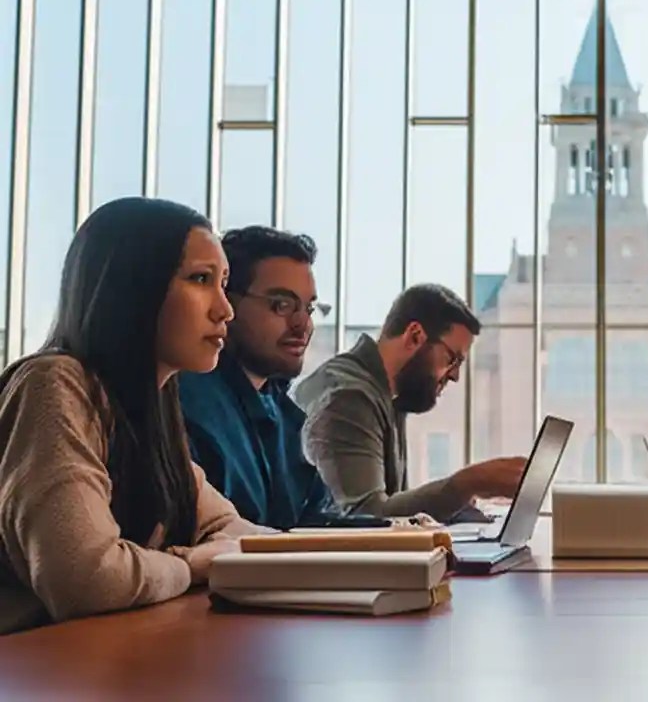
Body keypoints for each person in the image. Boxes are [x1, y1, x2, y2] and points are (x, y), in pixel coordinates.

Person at [0, 198, 258, 634]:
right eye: (200, 279)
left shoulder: (150, 409)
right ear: (133, 287)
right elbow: (87, 578)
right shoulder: (54, 384)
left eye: (224, 283)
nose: (224, 310)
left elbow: (238, 534)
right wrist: (192, 564)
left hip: (85, 665)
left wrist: (200, 557)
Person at [294, 284, 526, 520]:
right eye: (452, 359)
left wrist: (465, 509)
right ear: (414, 336)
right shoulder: (348, 398)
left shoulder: (389, 395)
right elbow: (366, 518)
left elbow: (391, 508)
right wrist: (466, 484)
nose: (455, 376)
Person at [179, 227, 331, 530]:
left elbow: (313, 524)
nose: (302, 324)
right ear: (227, 303)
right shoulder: (186, 402)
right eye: (282, 305)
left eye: (309, 308)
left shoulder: (282, 413)